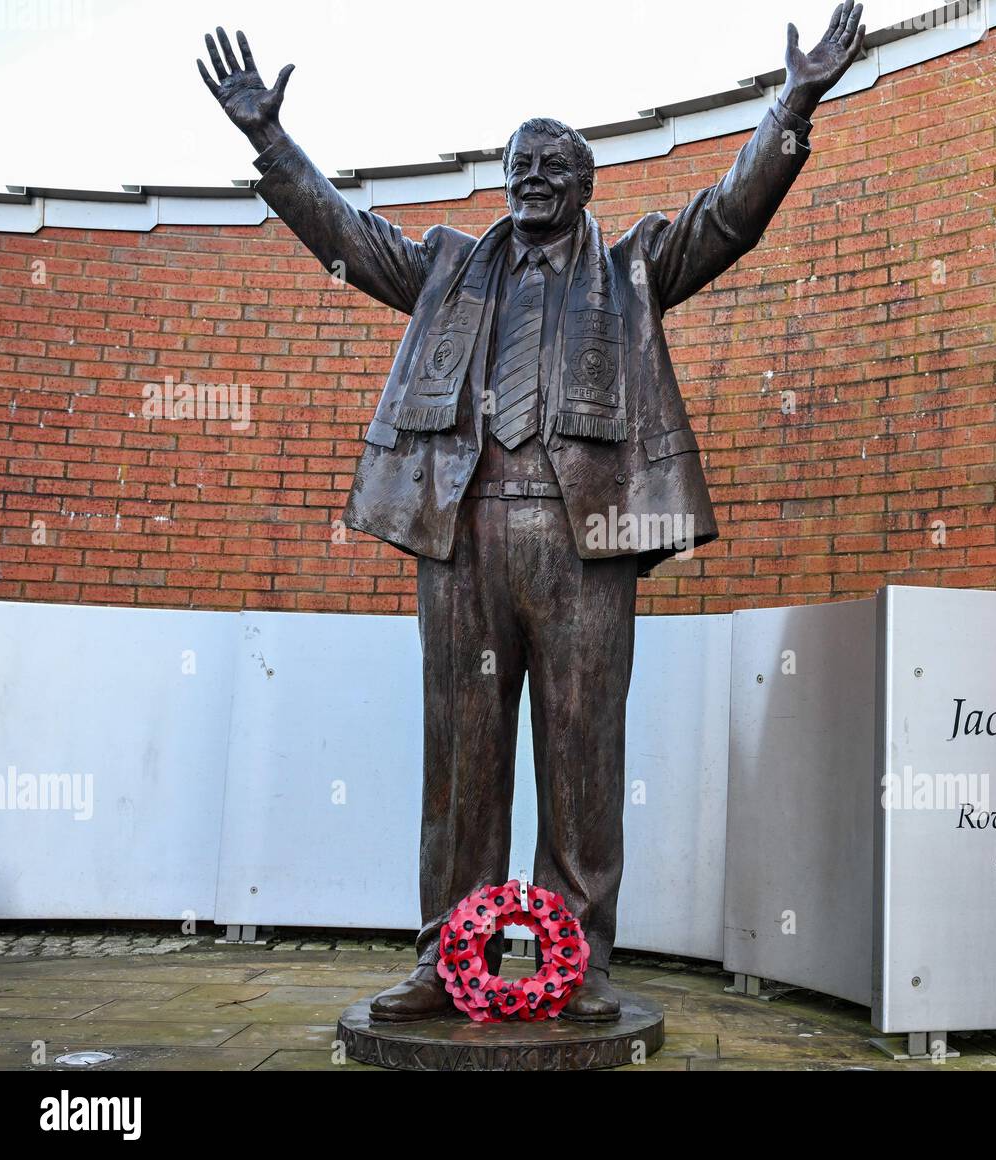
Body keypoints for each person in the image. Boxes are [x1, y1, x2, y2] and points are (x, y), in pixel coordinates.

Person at [197, 2, 866, 1022]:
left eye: (555, 166)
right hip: (459, 535)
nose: (534, 179)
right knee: (459, 757)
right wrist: (269, 140)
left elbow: (728, 214)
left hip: (583, 541)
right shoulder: (448, 266)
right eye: (521, 164)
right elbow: (343, 234)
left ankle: (578, 957)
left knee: (581, 752)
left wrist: (793, 103)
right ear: (502, 178)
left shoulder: (632, 264)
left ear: (586, 184)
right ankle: (444, 955)